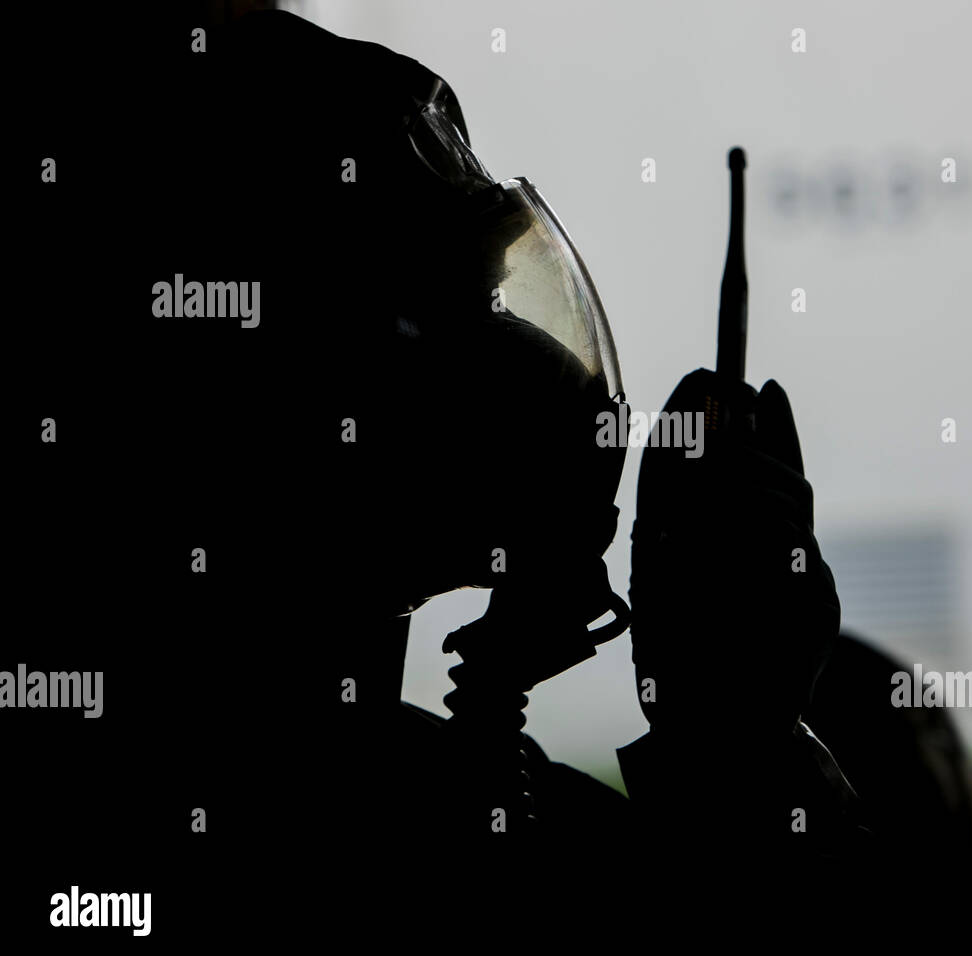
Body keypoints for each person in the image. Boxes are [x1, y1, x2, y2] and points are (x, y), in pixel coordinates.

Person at [14, 7, 876, 933]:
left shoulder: (429, 798)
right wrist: (749, 761)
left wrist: (740, 752)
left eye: (492, 303)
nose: (526, 359)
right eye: (447, 312)